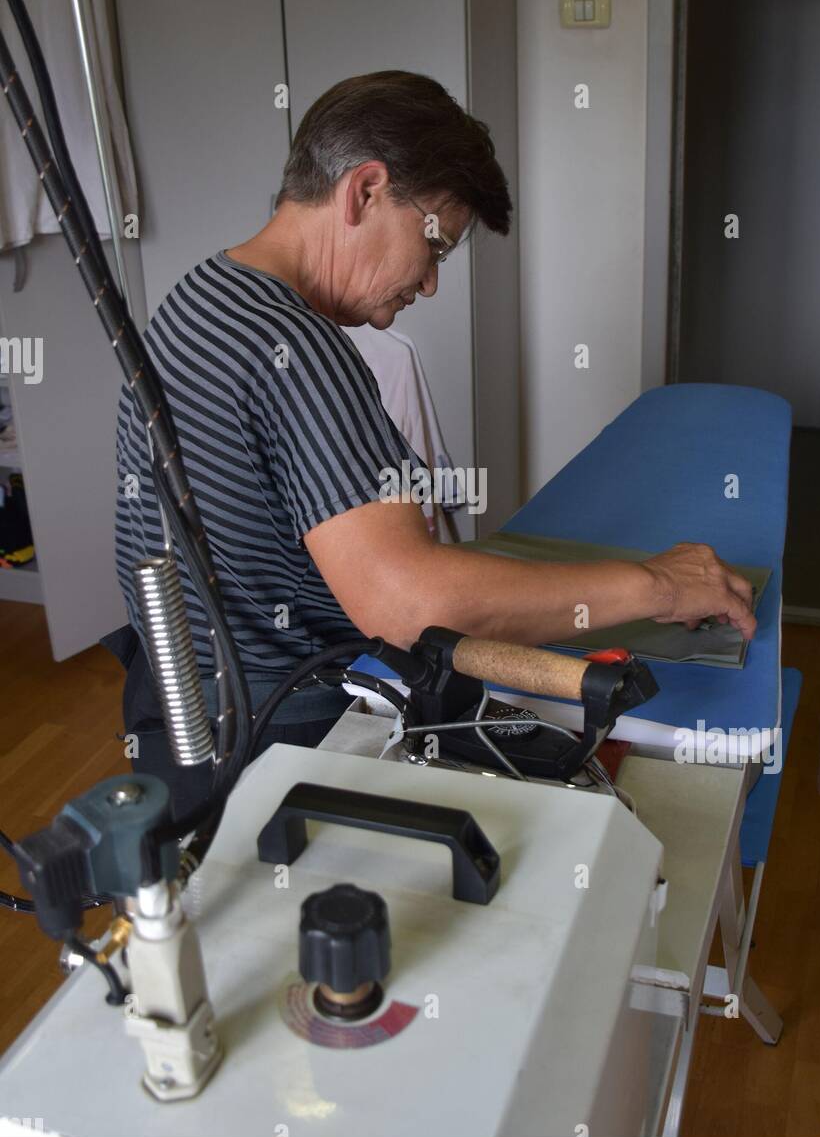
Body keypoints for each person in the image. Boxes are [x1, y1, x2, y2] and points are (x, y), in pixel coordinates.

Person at [111, 69, 755, 812]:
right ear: (364, 191)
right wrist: (660, 586)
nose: (429, 284)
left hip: (174, 717)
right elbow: (407, 605)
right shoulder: (297, 347)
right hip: (274, 746)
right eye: (437, 247)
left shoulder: (199, 295)